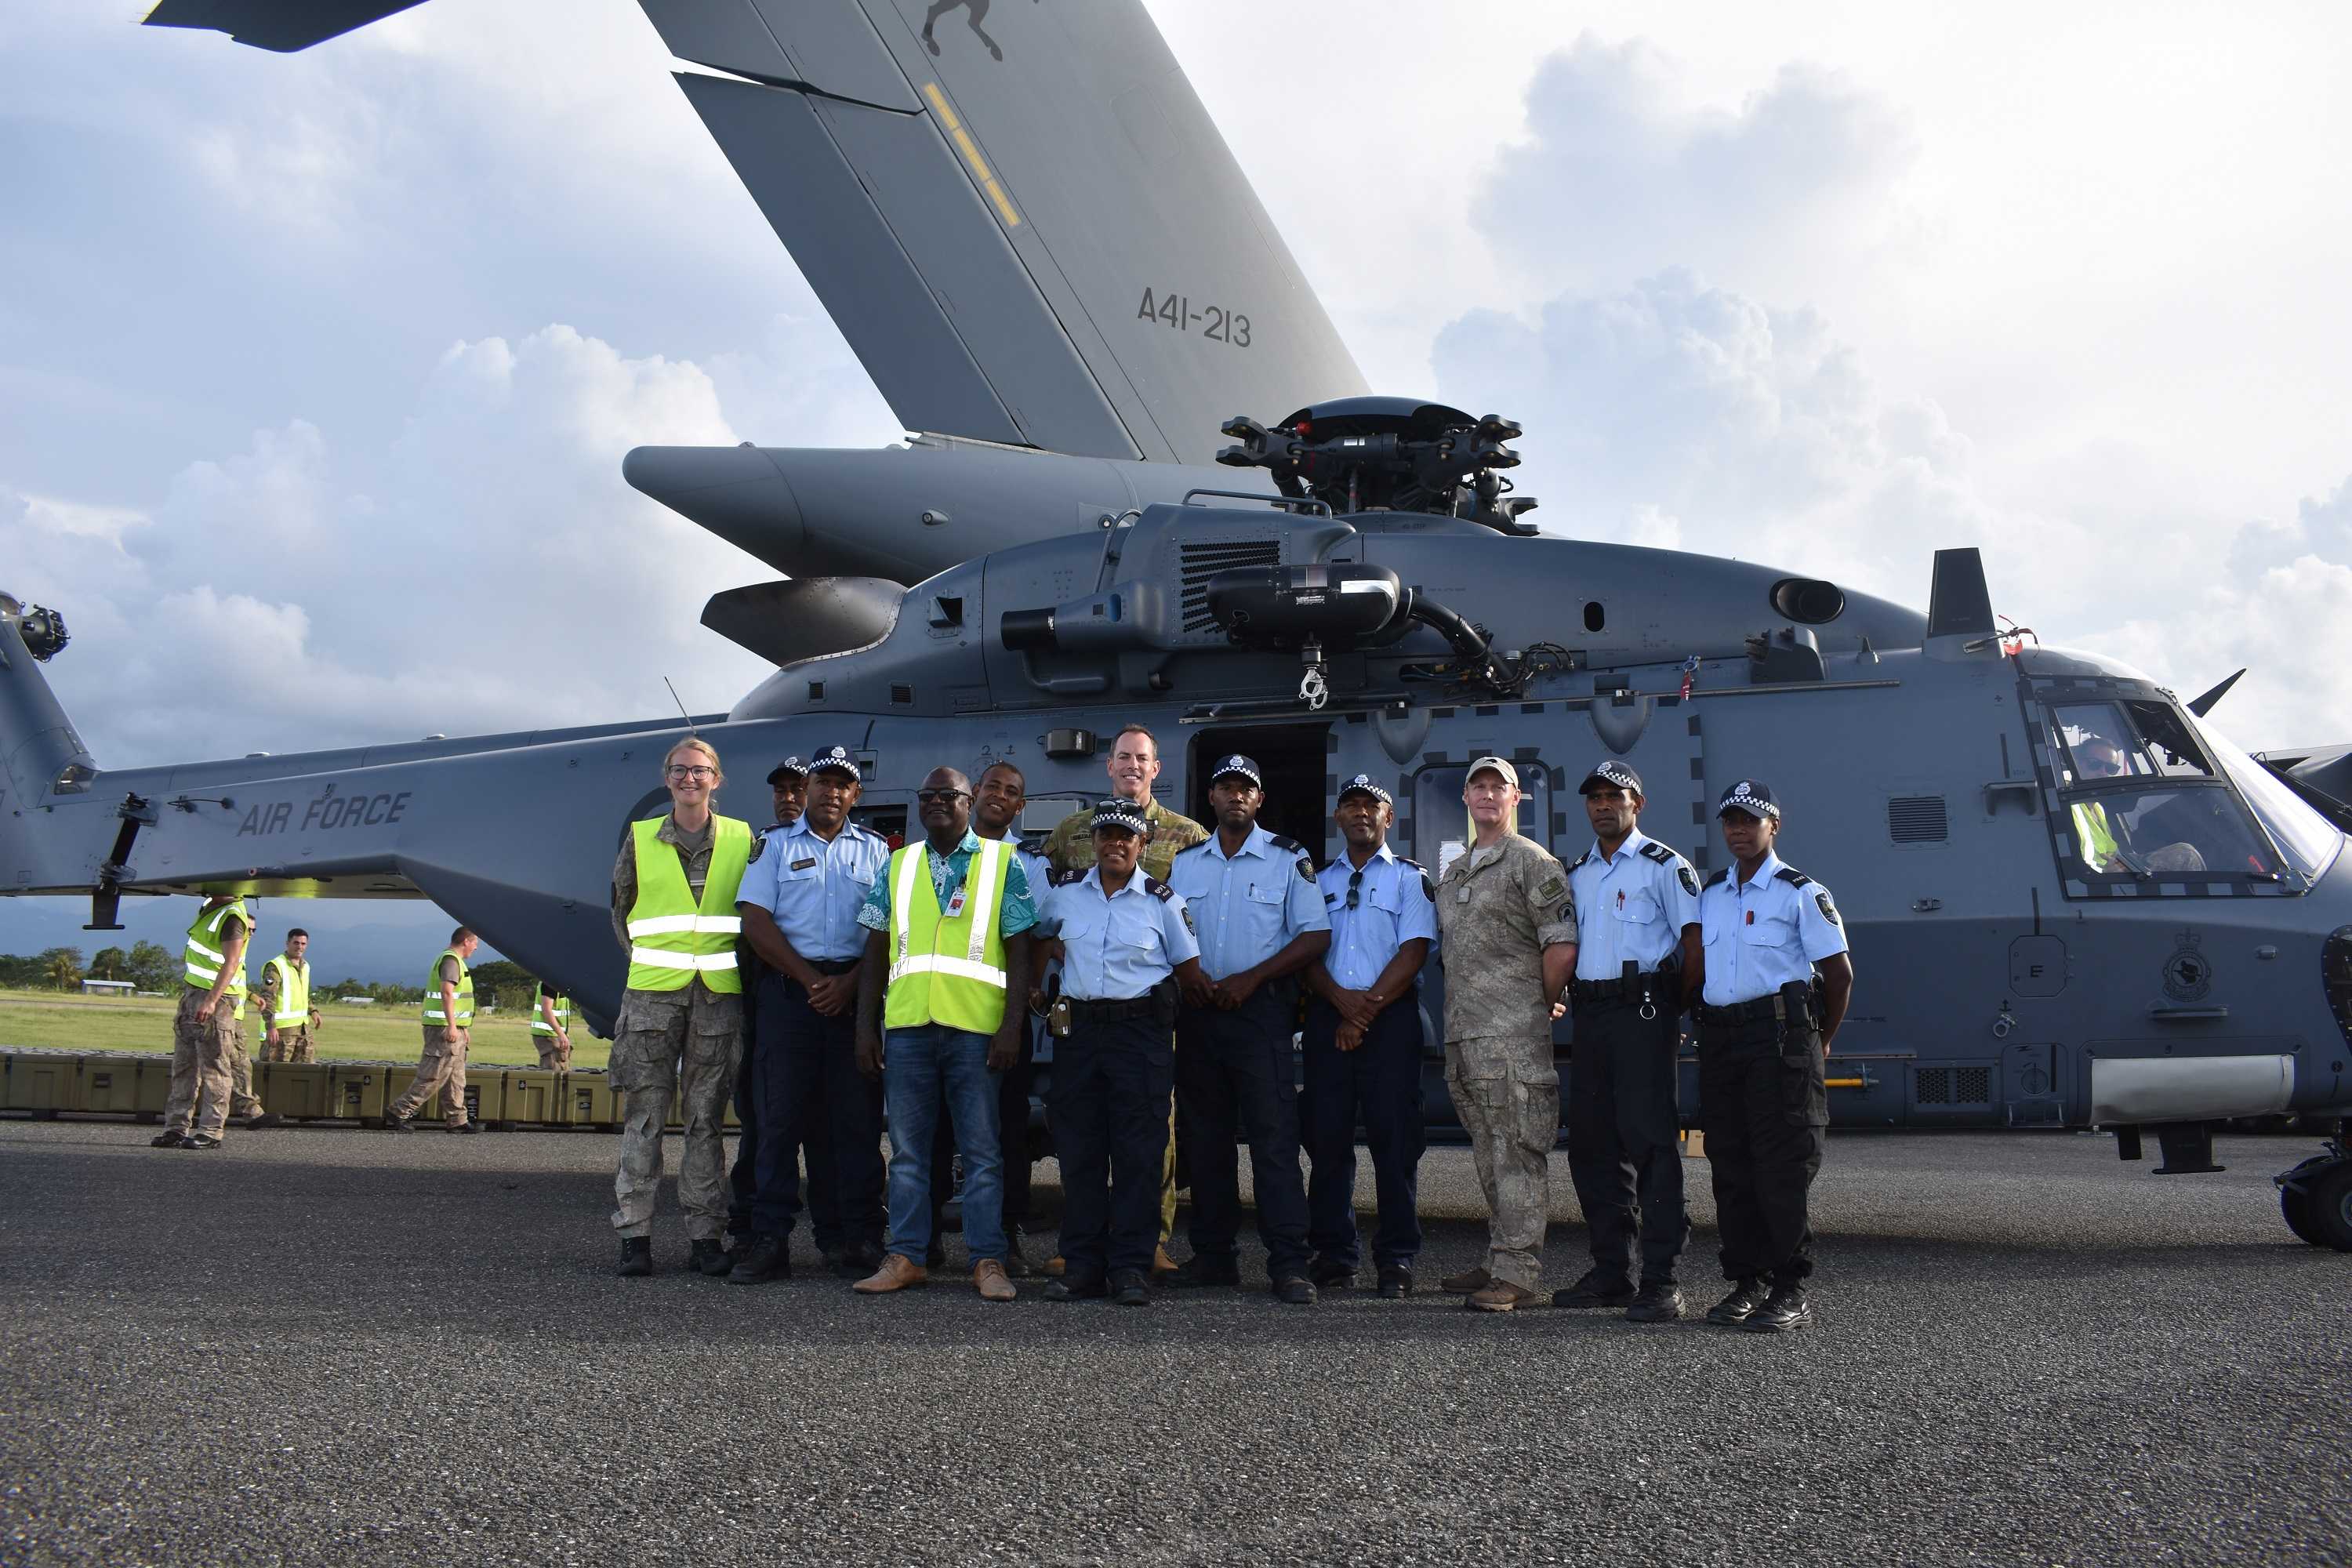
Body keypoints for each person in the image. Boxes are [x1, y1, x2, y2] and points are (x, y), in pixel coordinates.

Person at [849, 767, 1036, 1300]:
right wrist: (866, 1028)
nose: (936, 802)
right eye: (927, 795)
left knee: (982, 1154)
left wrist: (1012, 1027)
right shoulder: (899, 863)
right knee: (908, 1154)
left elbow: (1021, 950)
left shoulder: (1002, 862)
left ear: (968, 801)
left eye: (948, 795)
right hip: (909, 1028)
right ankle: (906, 1256)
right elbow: (876, 949)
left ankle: (988, 1260)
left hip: (975, 1030)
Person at [1040, 724, 1209, 1275]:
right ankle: (1083, 1251)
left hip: (1147, 1016)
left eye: (1142, 758)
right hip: (1085, 1019)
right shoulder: (1071, 832)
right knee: (1083, 1140)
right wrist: (1075, 955)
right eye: (1123, 757)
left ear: (1156, 768)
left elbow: (1193, 926)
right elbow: (1048, 911)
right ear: (1109, 766)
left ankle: (1149, 1242)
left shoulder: (1188, 836)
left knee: (1151, 1136)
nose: (1132, 765)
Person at [1164, 753, 1330, 1305]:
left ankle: (1289, 1262)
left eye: (1246, 788)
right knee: (1206, 1141)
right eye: (1226, 787)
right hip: (1199, 1014)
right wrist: (1191, 978)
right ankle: (1214, 1257)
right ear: (1211, 798)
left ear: (1259, 800)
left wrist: (1252, 979)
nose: (1236, 795)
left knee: (1273, 1141)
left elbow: (1314, 935)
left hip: (1260, 1015)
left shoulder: (1288, 858)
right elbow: (1168, 933)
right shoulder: (1186, 864)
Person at [1693, 779, 1853, 1334]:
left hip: (1779, 1042)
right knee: (1730, 1166)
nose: (1738, 830)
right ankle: (1747, 1282)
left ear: (1773, 826)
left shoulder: (1799, 893)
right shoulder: (1712, 895)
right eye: (1730, 821)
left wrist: (1820, 1039)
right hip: (1722, 1042)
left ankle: (1790, 1290)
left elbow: (1839, 975)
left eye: (1750, 820)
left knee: (1781, 1168)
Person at [730, 745, 891, 1283]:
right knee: (778, 1123)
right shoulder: (774, 846)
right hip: (789, 997)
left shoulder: (877, 852)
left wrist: (850, 984)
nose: (832, 792)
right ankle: (769, 1239)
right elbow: (756, 922)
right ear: (810, 789)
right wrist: (809, 980)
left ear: (855, 794)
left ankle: (853, 1237)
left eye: (843, 784)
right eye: (823, 782)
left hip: (853, 999)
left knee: (854, 1124)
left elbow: (886, 930)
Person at [1558, 760, 1702, 1323]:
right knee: (1593, 1145)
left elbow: (1694, 945)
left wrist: (1671, 1007)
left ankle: (1662, 1279)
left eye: (1613, 796)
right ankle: (1612, 1272)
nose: (1602, 805)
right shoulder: (1577, 873)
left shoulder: (1664, 866)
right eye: (1593, 797)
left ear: (1636, 804)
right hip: (1591, 1016)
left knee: (1651, 1143)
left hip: (1643, 1012)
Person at [604, 738, 754, 1277]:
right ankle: (635, 1236)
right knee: (644, 1118)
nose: (689, 778)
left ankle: (705, 1238)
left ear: (717, 778)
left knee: (705, 1121)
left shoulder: (742, 838)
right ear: (666, 777)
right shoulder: (642, 838)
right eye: (679, 770)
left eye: (699, 770)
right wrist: (652, 963)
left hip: (717, 996)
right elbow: (621, 910)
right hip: (651, 997)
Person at [1434, 757, 1578, 1312]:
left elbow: (1561, 945)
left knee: (1517, 1151)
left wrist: (1538, 1003)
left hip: (1512, 1038)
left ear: (1517, 798)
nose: (1488, 795)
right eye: (1479, 786)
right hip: (1465, 1036)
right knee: (1489, 1151)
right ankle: (1499, 1258)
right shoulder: (1456, 871)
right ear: (1466, 798)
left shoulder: (1532, 862)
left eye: (1500, 787)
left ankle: (1518, 1273)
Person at [1301, 774, 1435, 1298]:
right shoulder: (1316, 880)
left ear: (1388, 817)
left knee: (1395, 1144)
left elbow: (1414, 949)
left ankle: (1396, 1258)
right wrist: (1341, 1004)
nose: (1361, 812)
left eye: (1371, 805)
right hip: (1329, 1016)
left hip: (1389, 1022)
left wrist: (1361, 1014)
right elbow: (1306, 949)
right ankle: (1334, 1254)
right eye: (1351, 805)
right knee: (1327, 1141)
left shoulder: (1409, 878)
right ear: (1338, 817)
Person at [927, 760, 1054, 1273]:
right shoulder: (933, 854)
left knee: (1006, 1131)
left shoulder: (1030, 863)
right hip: (938, 1012)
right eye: (993, 786)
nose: (1000, 796)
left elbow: (1037, 938)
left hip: (1001, 1018)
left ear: (1020, 807)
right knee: (934, 1130)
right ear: (975, 792)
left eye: (1012, 792)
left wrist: (1018, 1010)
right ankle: (923, 1238)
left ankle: (1004, 1237)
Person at [724, 757, 829, 1265]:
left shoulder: (849, 848)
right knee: (763, 1121)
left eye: (797, 789)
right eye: (780, 791)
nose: (788, 798)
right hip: (767, 1000)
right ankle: (750, 1226)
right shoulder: (764, 847)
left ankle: (840, 1233)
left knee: (831, 1123)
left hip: (827, 998)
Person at [157, 893, 272, 1149]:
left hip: (215, 1002)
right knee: (184, 1068)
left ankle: (210, 1132)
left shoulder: (232, 917)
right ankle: (176, 1128)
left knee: (215, 1070)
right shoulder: (211, 906)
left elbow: (231, 962)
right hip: (192, 995)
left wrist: (211, 1000)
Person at [387, 926, 484, 1135]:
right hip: (443, 1028)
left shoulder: (455, 961)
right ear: (466, 941)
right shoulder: (451, 961)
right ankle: (400, 1111)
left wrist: (462, 1027)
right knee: (433, 1075)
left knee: (456, 1077)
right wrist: (452, 1026)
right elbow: (447, 993)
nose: (476, 948)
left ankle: (457, 1120)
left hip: (454, 1027)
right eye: (475, 943)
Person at [253, 927, 320, 1065]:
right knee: (277, 1072)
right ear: (287, 943)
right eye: (296, 943)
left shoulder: (305, 966)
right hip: (281, 1032)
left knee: (306, 1072)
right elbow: (268, 998)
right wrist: (271, 1027)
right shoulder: (276, 966)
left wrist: (313, 1011)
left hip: (302, 1030)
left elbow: (303, 994)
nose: (300, 947)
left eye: (303, 944)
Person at [530, 980, 573, 1069]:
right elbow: (547, 1010)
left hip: (553, 1034)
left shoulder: (556, 982)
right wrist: (561, 1035)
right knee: (553, 1070)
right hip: (549, 1035)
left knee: (560, 1068)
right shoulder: (551, 983)